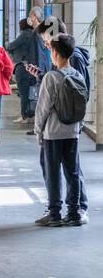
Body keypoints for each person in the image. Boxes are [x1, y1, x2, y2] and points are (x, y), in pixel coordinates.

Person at [33, 20, 90, 219]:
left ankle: (55, 212)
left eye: (48, 44)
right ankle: (74, 211)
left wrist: (38, 132)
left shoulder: (52, 77)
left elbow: (43, 109)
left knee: (53, 173)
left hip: (53, 133)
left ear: (56, 51)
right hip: (72, 131)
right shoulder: (77, 74)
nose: (46, 46)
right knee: (72, 172)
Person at [7, 19, 39, 123]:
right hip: (33, 67)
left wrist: (13, 51)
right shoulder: (35, 35)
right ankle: (31, 114)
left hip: (23, 67)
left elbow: (11, 46)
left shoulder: (25, 34)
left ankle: (24, 116)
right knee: (32, 92)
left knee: (23, 93)